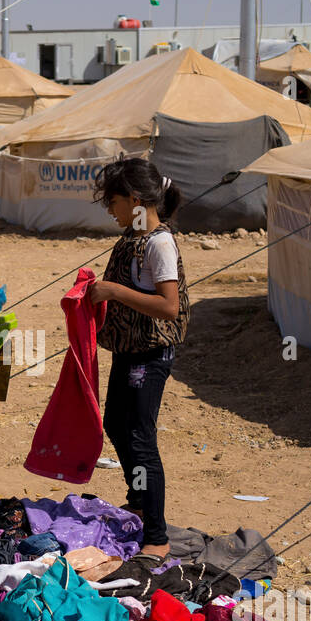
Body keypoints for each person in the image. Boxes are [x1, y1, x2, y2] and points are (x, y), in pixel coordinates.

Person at [89, 157, 189, 565]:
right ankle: (139, 500)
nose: (110, 212)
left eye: (112, 202)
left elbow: (168, 306)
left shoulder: (159, 243)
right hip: (130, 348)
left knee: (140, 436)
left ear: (133, 199)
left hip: (150, 354)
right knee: (115, 422)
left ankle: (157, 534)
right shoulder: (133, 238)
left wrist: (112, 291)